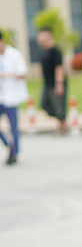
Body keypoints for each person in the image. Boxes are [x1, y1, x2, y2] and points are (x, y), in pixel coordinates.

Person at [0, 33, 29, 165]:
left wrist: (7, 75)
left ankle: (14, 153)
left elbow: (24, 74)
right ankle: (8, 143)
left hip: (11, 97)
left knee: (13, 126)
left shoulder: (14, 55)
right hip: (1, 96)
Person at [37, 28, 67, 134]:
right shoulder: (45, 51)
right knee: (44, 104)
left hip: (56, 83)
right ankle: (61, 122)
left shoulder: (55, 51)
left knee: (59, 106)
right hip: (47, 83)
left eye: (41, 35)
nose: (39, 38)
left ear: (48, 35)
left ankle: (63, 126)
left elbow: (59, 68)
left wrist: (59, 84)